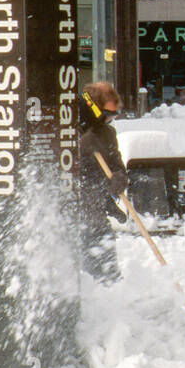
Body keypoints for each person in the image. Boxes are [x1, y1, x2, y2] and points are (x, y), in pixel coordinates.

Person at [78, 82, 128, 283]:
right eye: (107, 115)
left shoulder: (107, 134)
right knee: (84, 277)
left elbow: (117, 165)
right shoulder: (67, 128)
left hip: (97, 217)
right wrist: (83, 145)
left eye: (114, 116)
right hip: (74, 218)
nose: (109, 120)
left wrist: (119, 178)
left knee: (109, 275)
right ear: (94, 108)